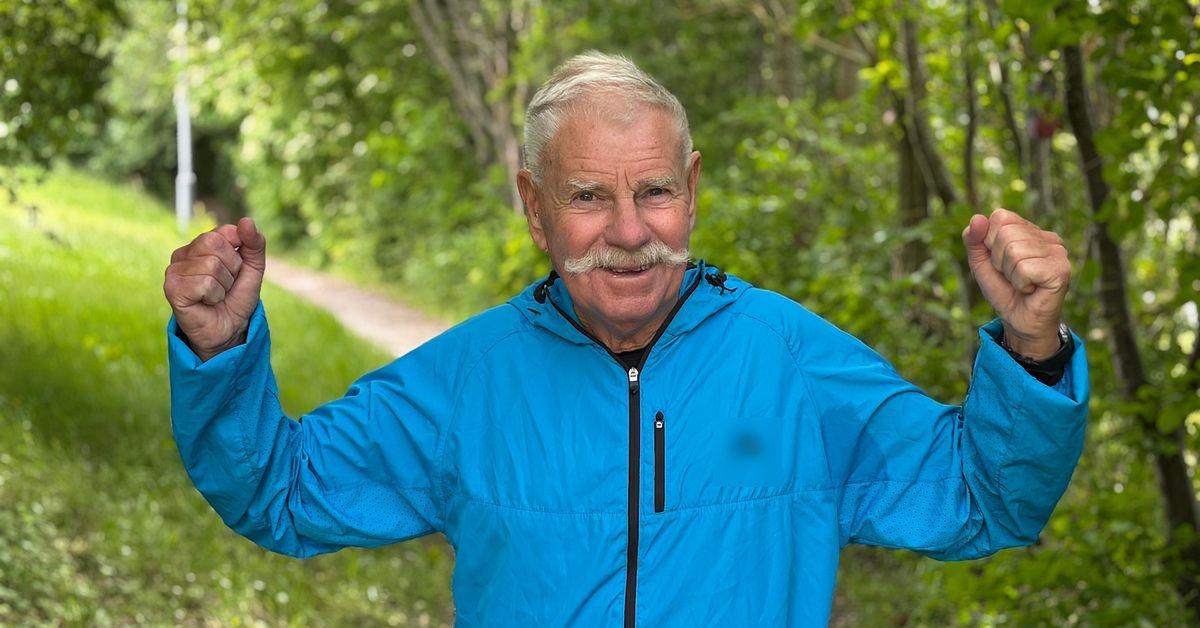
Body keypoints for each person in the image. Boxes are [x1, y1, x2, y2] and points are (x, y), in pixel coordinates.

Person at [164, 52, 1088, 626]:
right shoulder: (468, 380)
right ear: (533, 207)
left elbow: (986, 498)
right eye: (585, 196)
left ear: (692, 187)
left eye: (653, 191)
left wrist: (1032, 349)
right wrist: (218, 353)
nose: (630, 230)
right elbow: (280, 491)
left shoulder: (791, 362)